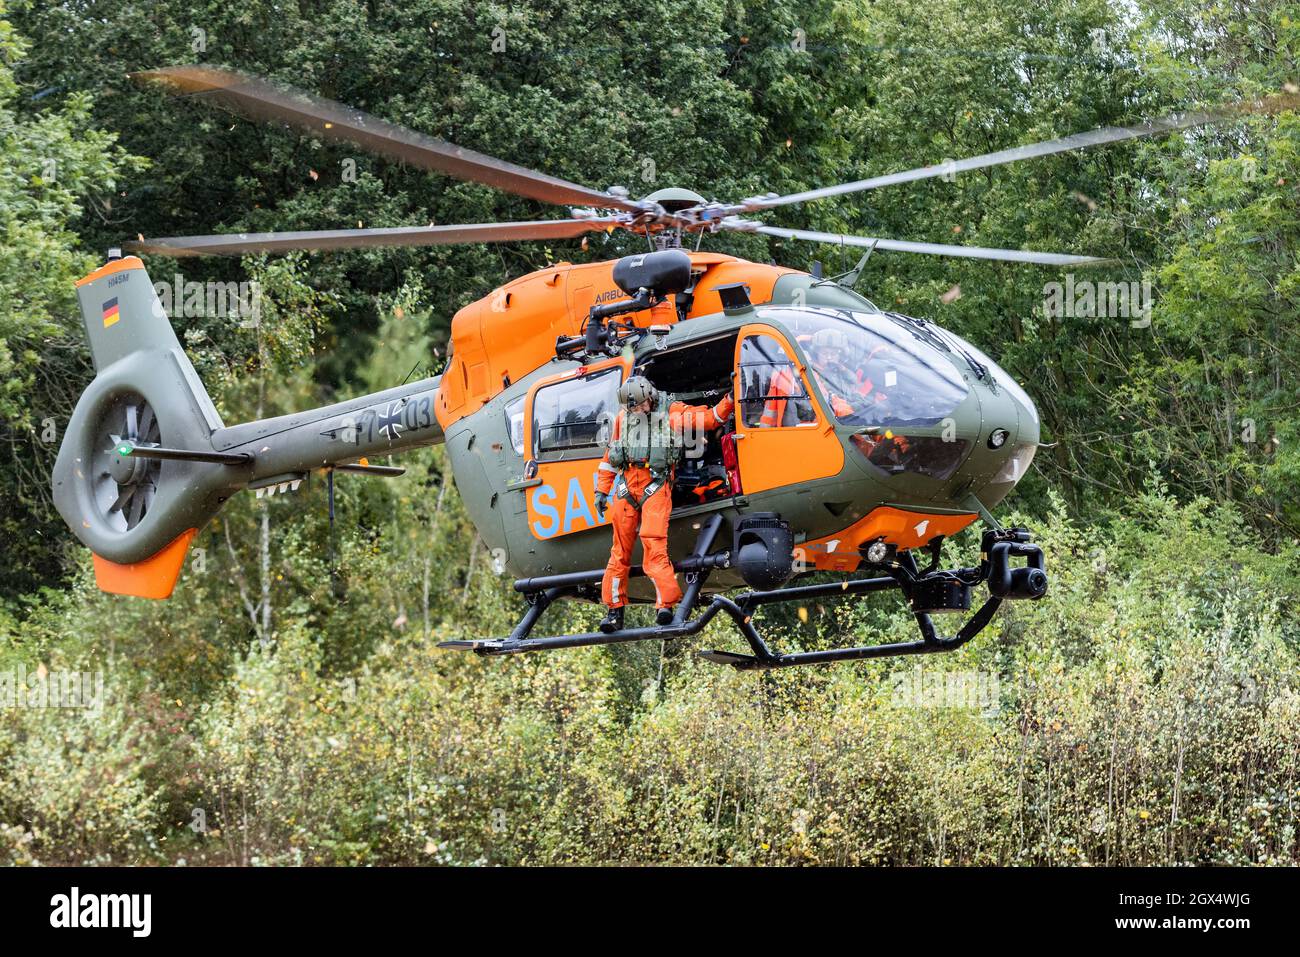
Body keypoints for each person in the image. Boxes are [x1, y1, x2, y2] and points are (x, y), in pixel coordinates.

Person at [594, 375, 734, 633]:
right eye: (634, 408)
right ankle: (614, 611)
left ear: (650, 397)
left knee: (653, 544)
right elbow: (609, 458)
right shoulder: (621, 420)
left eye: (642, 405)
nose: (640, 410)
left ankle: (665, 605)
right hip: (626, 487)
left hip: (655, 486)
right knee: (619, 552)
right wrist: (601, 490)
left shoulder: (671, 412)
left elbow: (710, 418)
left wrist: (730, 401)